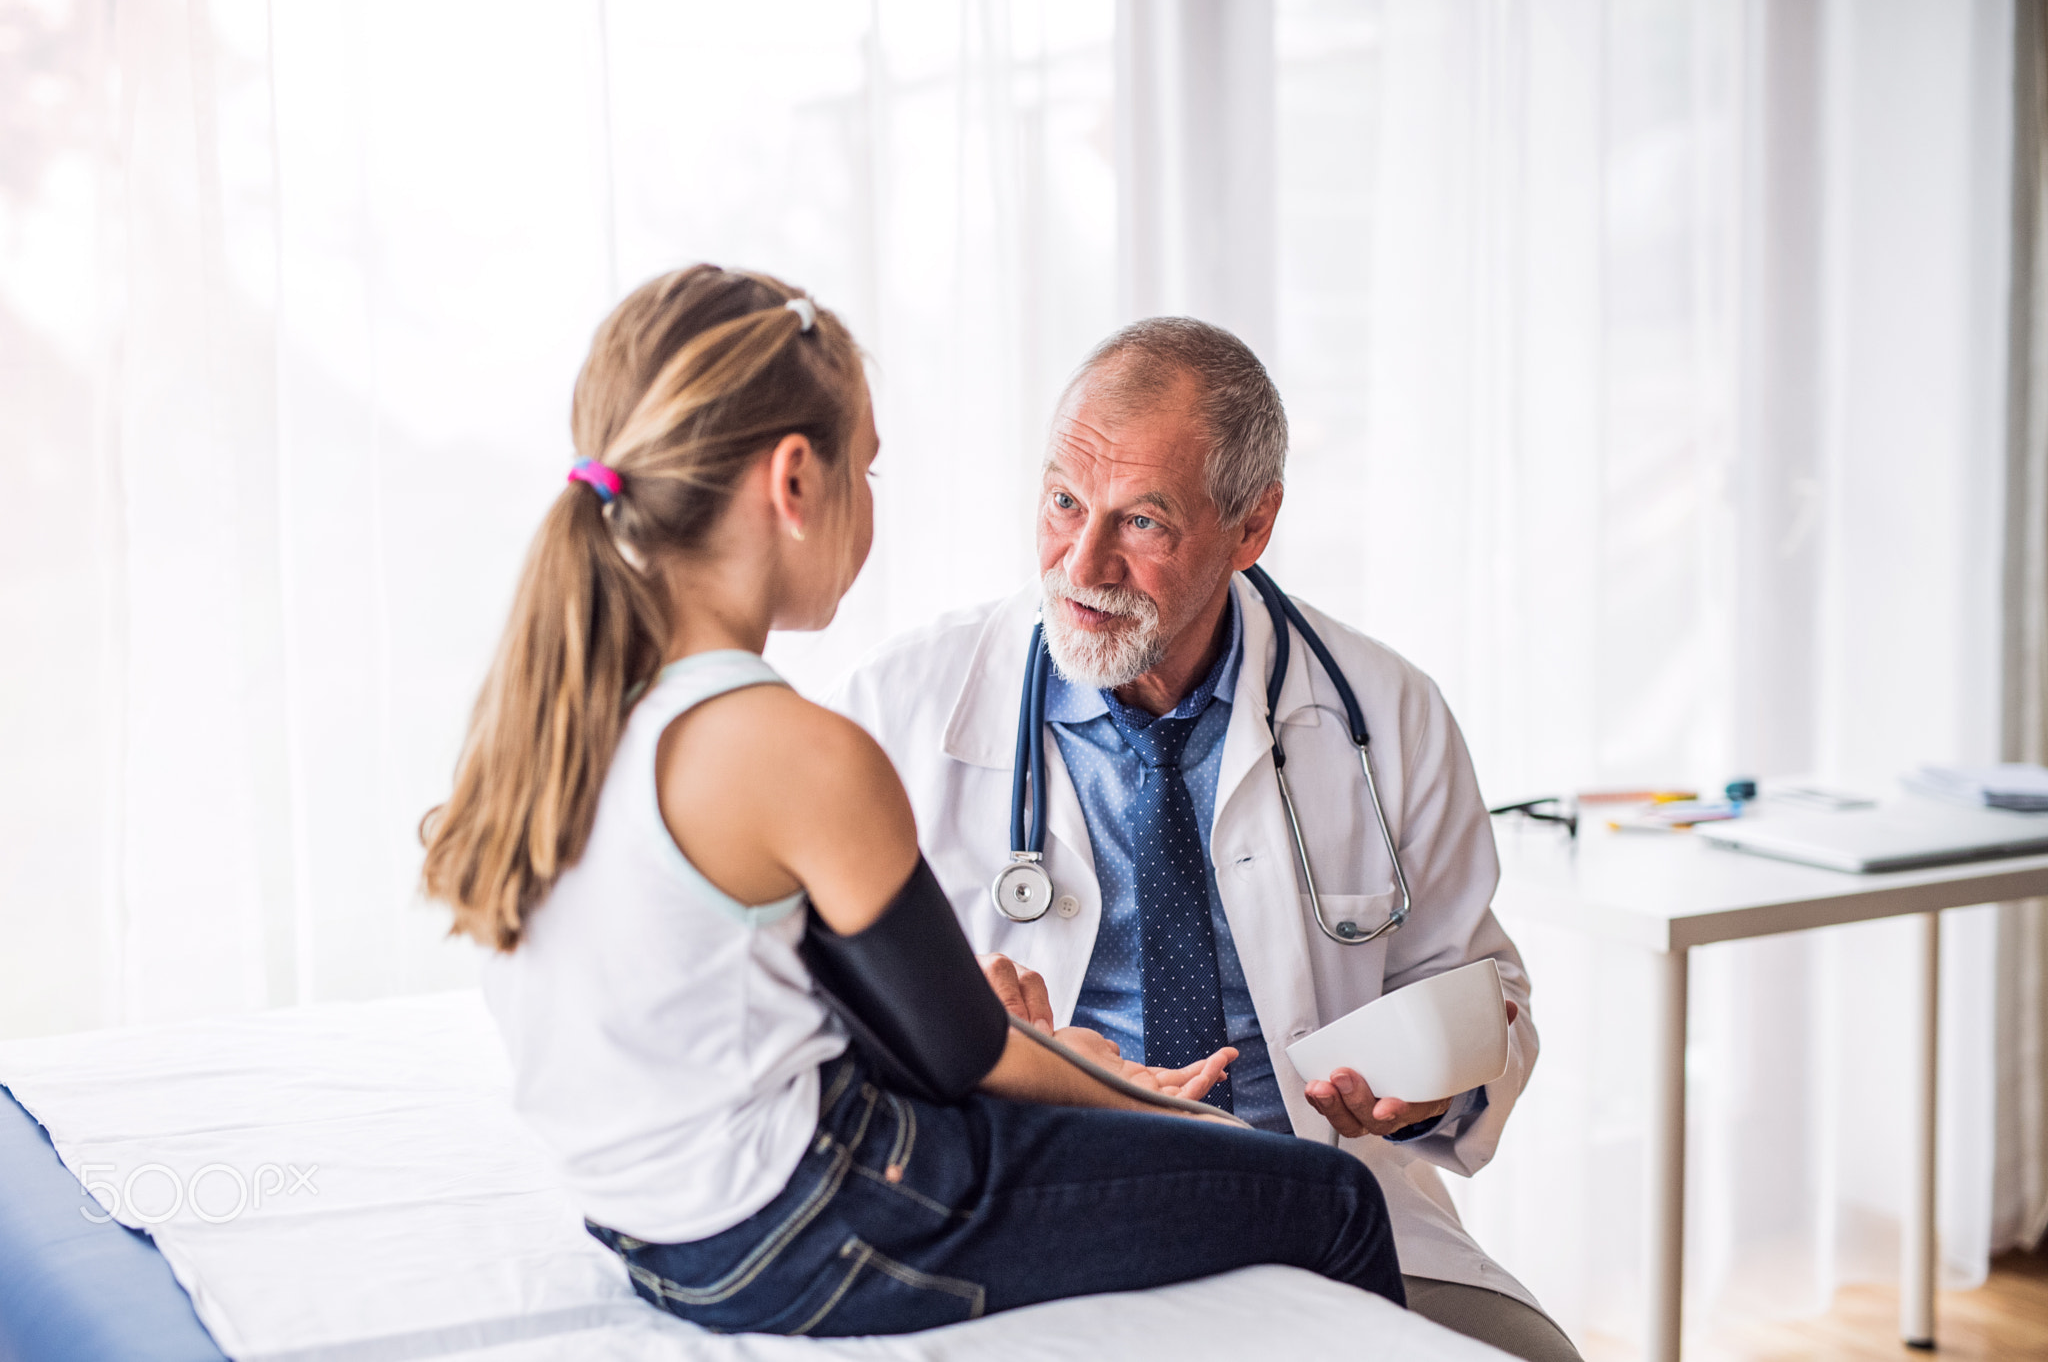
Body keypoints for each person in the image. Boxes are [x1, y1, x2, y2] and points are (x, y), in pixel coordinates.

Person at [416, 266, 1407, 1338]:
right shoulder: (795, 749)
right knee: (1331, 1198)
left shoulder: (574, 707)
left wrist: (1054, 1056)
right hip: (806, 1229)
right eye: (867, 469)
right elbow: (963, 1058)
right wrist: (1159, 1111)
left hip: (659, 1235)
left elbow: (752, 1008)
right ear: (795, 481)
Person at [833, 317, 1582, 1362]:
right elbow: (812, 1031)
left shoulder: (1386, 712)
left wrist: (1435, 1082)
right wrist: (954, 1041)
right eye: (1061, 502)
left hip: (1313, 1192)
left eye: (1140, 521)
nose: (1080, 562)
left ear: (1250, 524)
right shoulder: (899, 708)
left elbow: (1481, 991)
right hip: (1037, 1192)